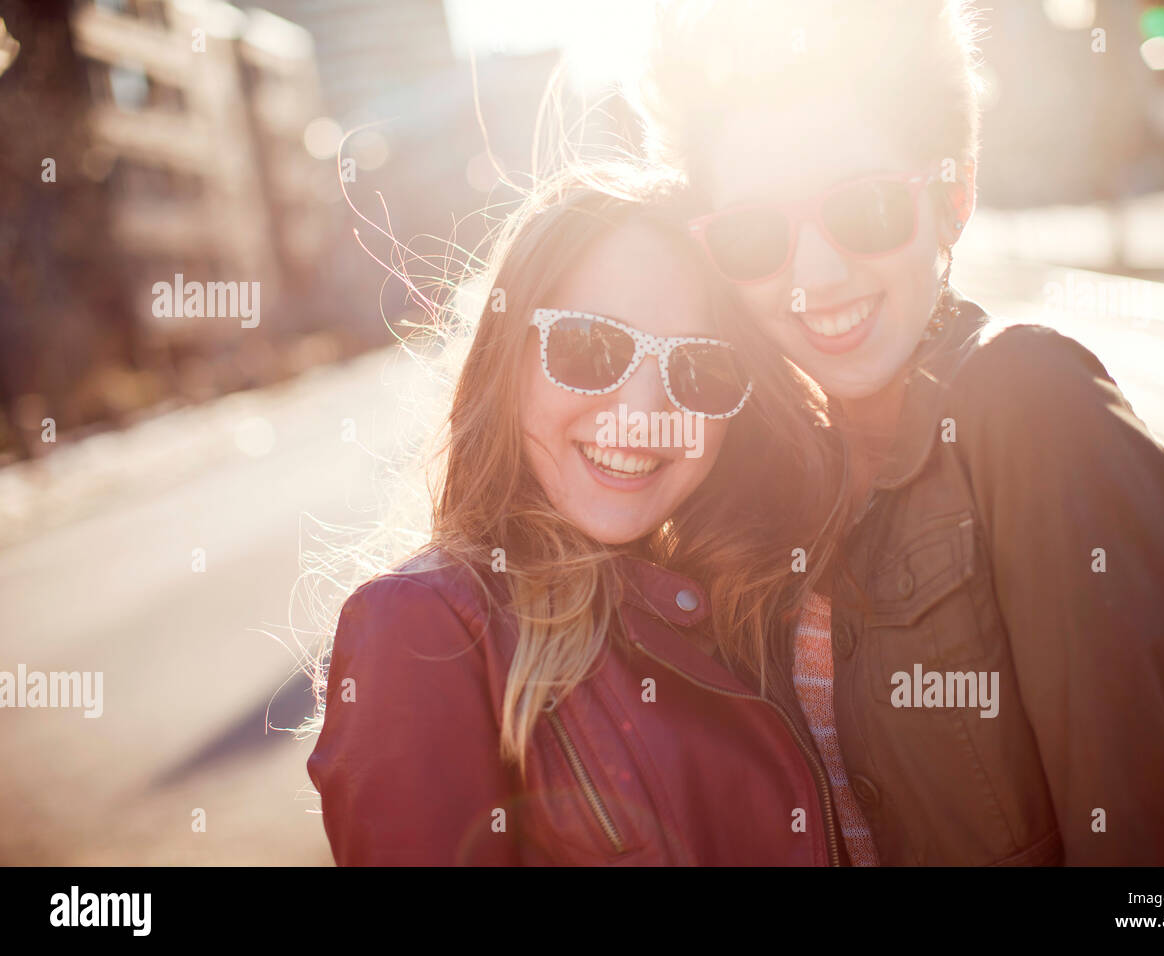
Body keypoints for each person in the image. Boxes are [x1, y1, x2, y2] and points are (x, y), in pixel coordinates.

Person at [639, 0, 1164, 865]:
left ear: (953, 195)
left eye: (867, 210)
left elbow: (1151, 866)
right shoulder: (758, 474)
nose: (816, 275)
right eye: (755, 235)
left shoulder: (1031, 404)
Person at [304, 166, 852, 864]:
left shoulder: (757, 600)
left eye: (699, 368)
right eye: (590, 348)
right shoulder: (422, 628)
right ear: (508, 357)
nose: (643, 417)